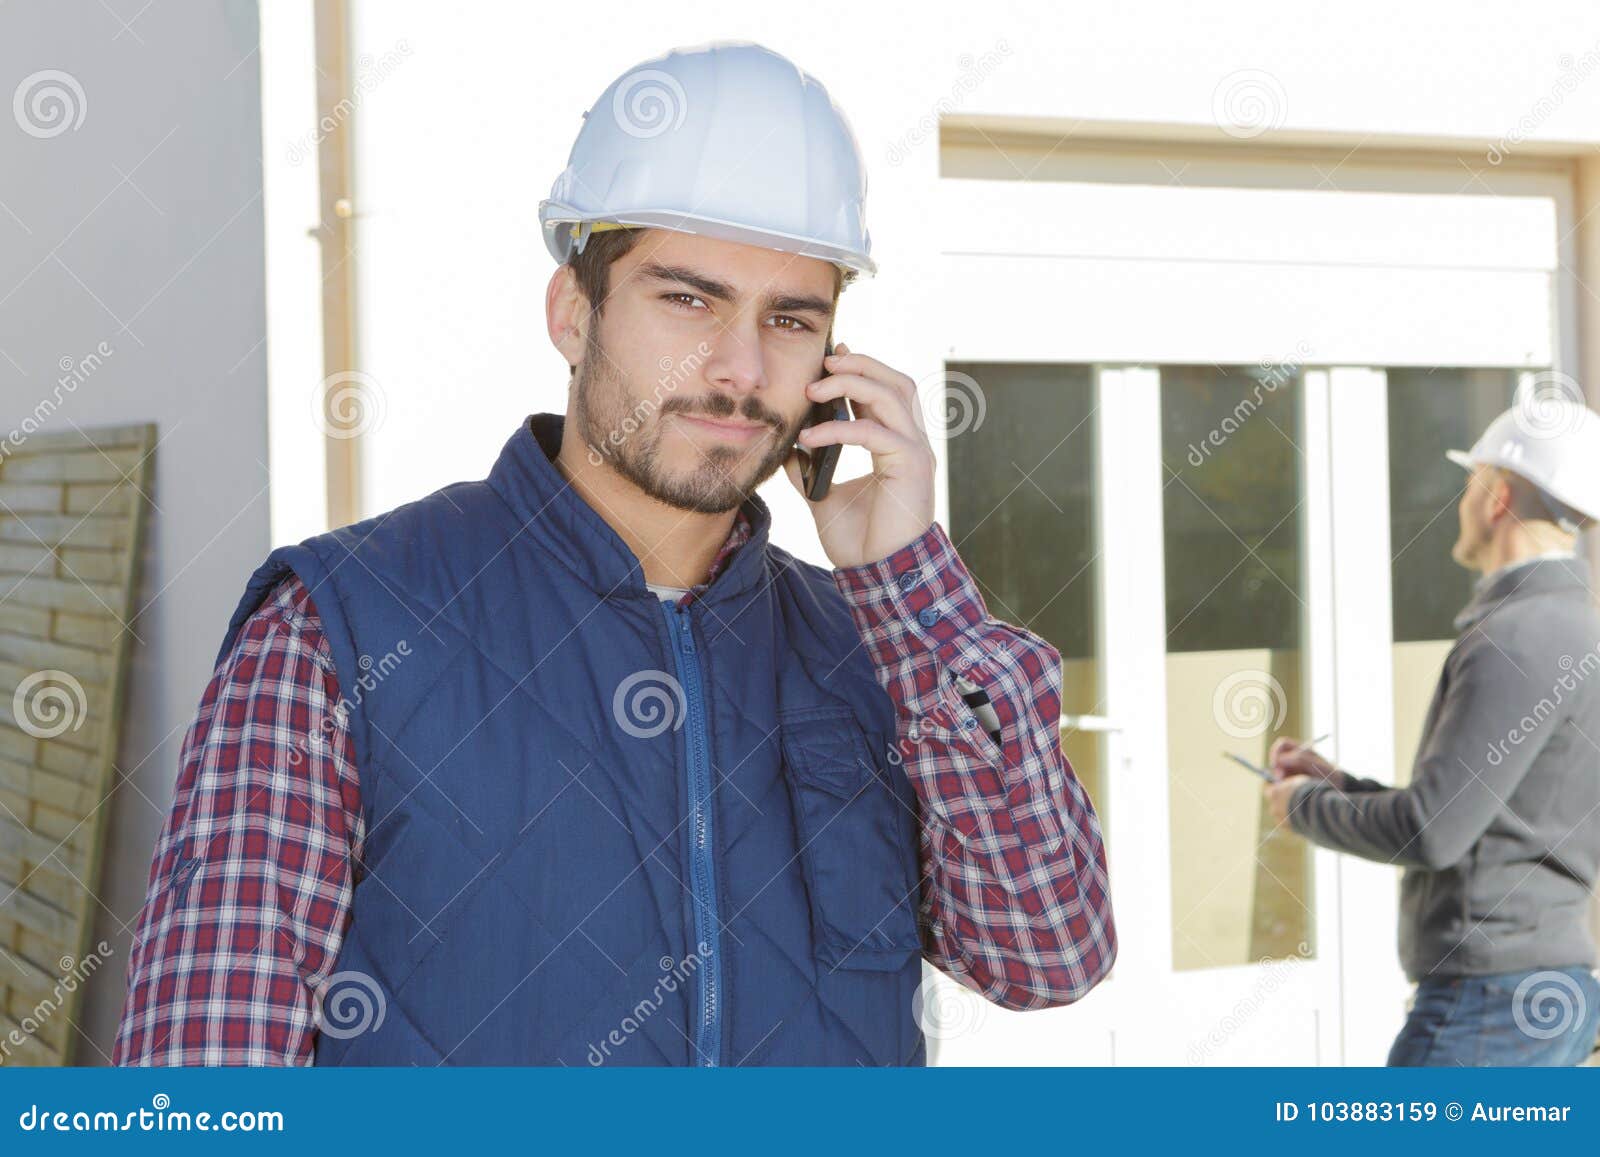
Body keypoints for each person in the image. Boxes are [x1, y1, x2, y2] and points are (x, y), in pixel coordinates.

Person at [112, 41, 1114, 1066]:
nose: (737, 367)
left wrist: (909, 586)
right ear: (572, 312)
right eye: (689, 299)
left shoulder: (877, 649)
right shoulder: (339, 626)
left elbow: (1045, 954)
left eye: (789, 317)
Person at [1267, 393, 1600, 1066]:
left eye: (1469, 483)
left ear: (1498, 495)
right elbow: (1487, 810)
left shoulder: (1517, 637)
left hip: (1489, 1004)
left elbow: (1432, 830)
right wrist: (1341, 784)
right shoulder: (1570, 625)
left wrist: (1304, 806)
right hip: (1534, 991)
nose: (1460, 502)